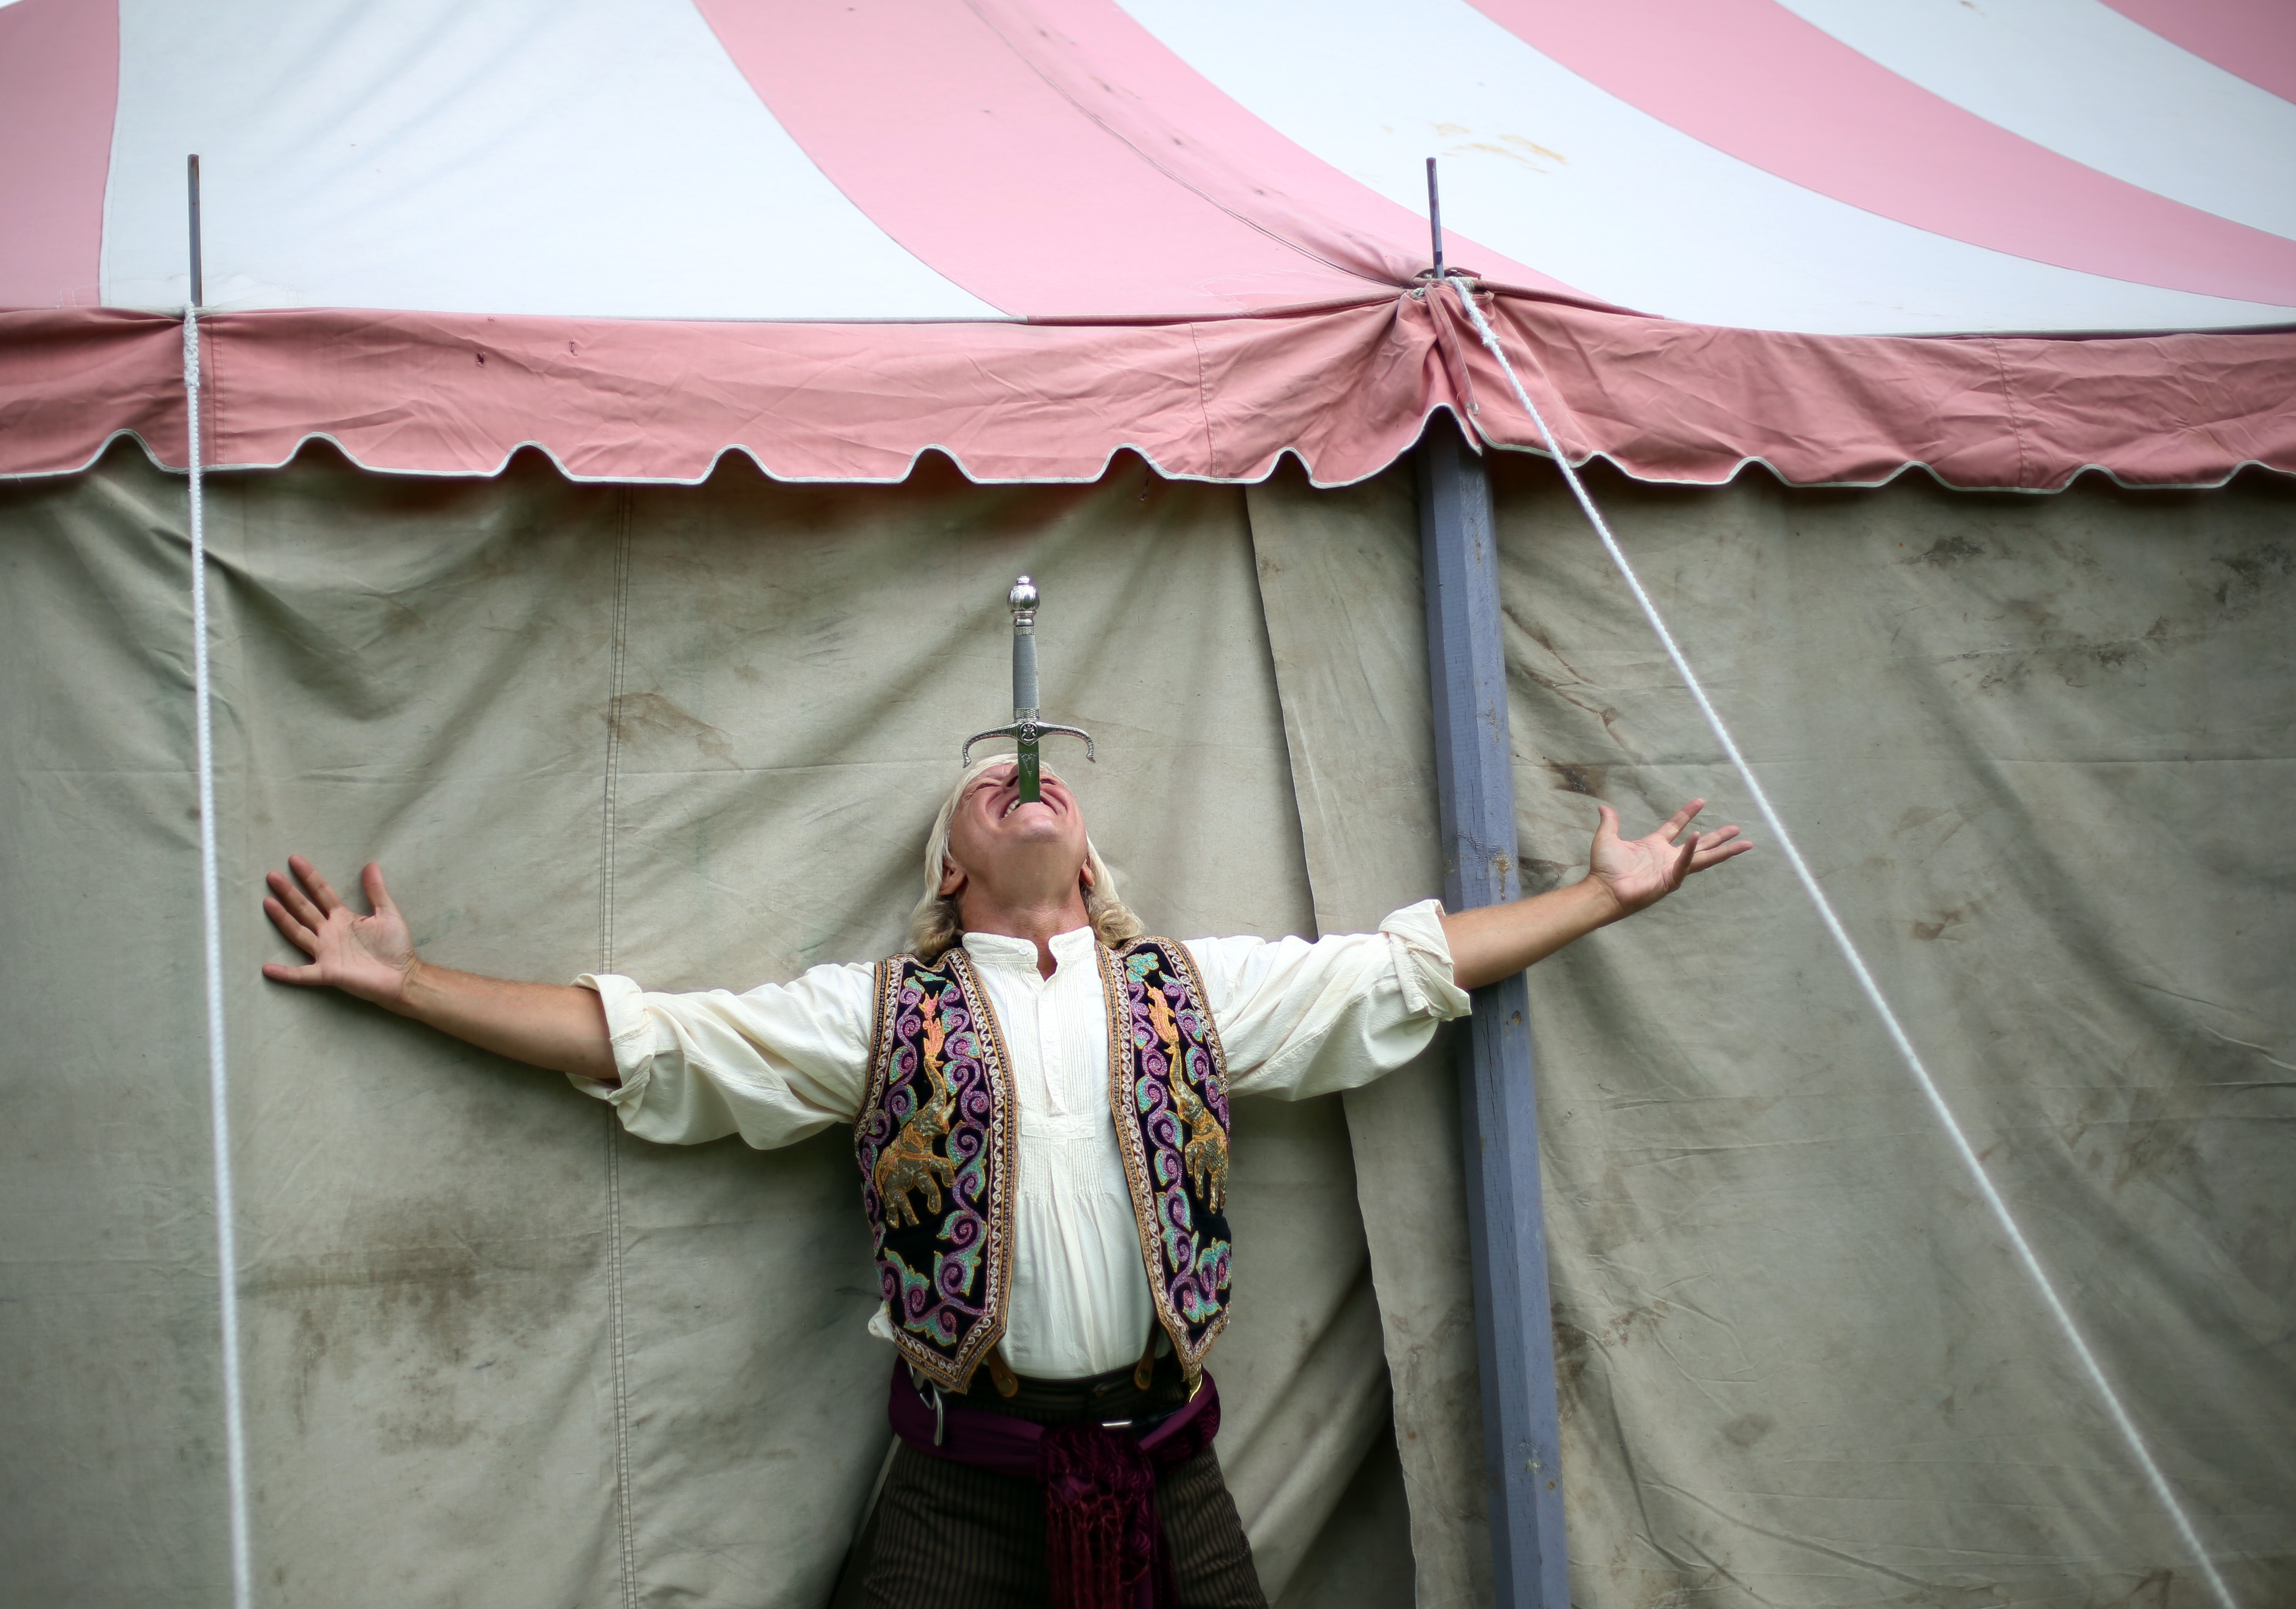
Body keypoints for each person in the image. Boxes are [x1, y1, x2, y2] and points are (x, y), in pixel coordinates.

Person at [261, 757, 1747, 1609]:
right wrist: (411, 991)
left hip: (1170, 1469)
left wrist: (1599, 901)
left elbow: (1404, 971)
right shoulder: (879, 1008)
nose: (1016, 779)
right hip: (959, 1482)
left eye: (1040, 779)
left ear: (1087, 859)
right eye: (981, 786)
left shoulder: (1192, 990)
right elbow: (646, 1039)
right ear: (954, 872)